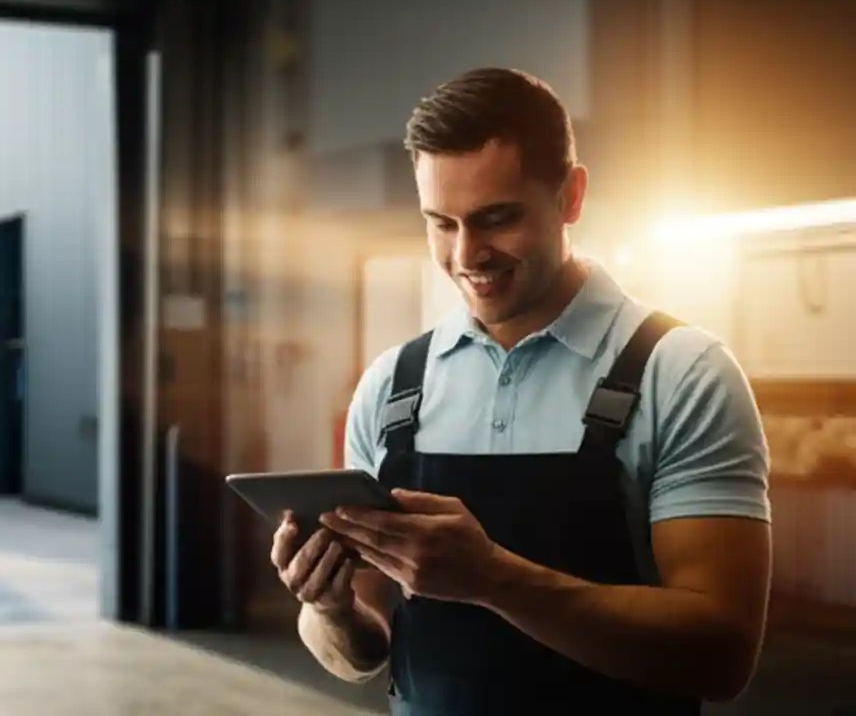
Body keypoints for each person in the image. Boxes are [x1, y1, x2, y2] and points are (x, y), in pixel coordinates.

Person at [269, 67, 771, 715]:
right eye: (441, 223)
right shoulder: (394, 388)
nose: (467, 254)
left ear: (571, 197)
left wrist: (492, 580)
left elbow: (722, 655)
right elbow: (363, 652)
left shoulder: (683, 375)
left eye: (496, 218)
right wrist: (330, 607)